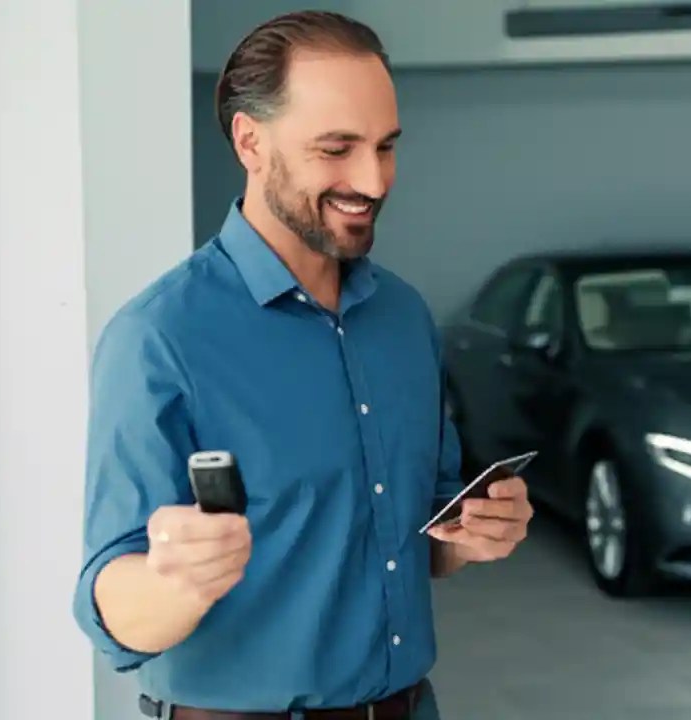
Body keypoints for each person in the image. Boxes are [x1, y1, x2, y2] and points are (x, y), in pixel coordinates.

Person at [73, 10, 534, 719]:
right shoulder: (159, 337)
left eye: (386, 146)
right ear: (250, 142)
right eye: (337, 147)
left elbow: (420, 541)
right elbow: (108, 606)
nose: (373, 179)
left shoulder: (405, 320)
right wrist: (177, 583)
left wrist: (472, 537)